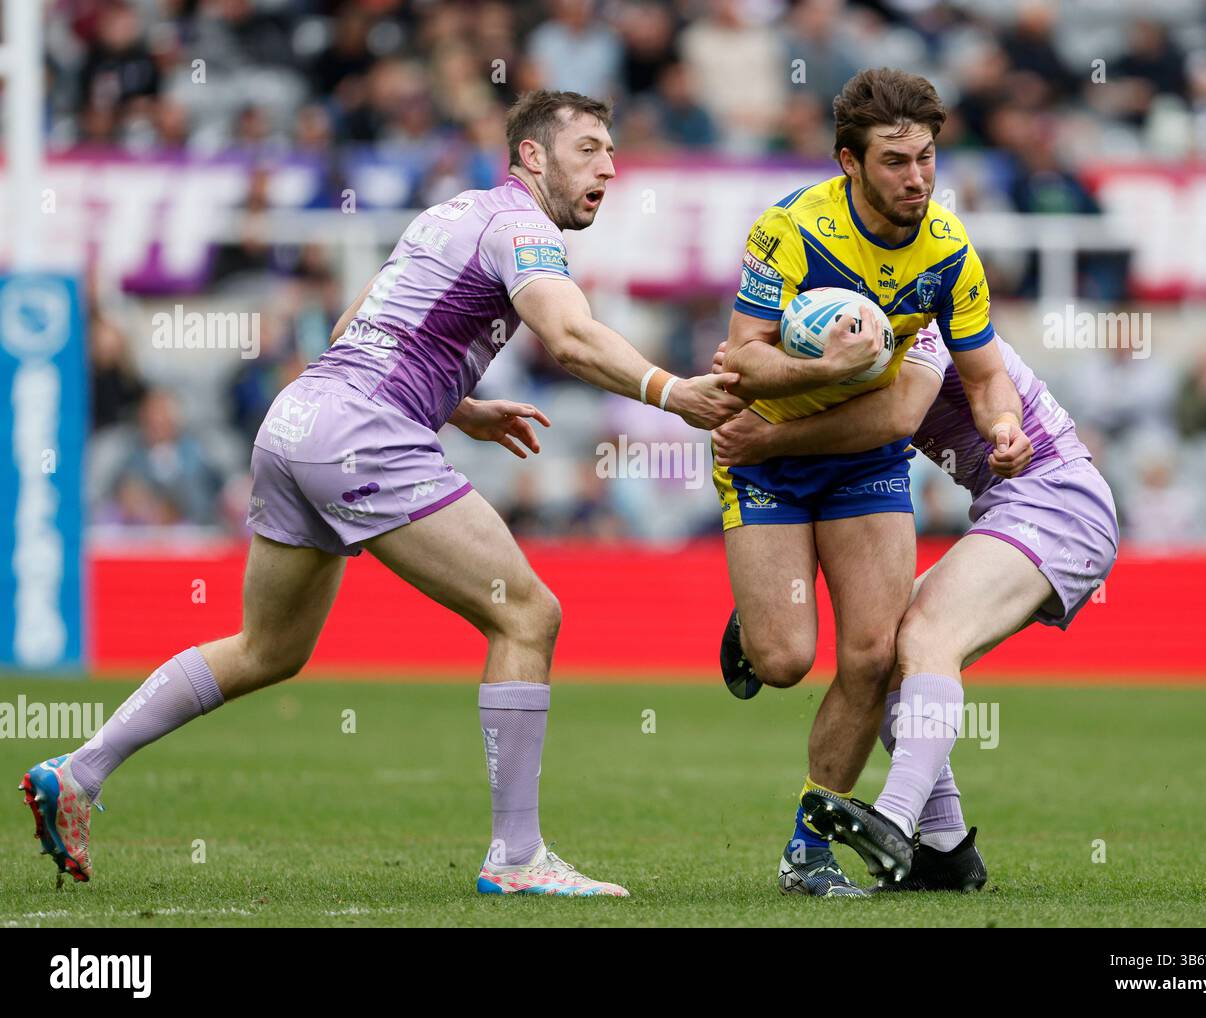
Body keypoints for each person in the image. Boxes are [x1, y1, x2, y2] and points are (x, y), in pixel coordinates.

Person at [20, 90, 745, 897]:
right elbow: (570, 337)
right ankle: (516, 859)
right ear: (532, 157)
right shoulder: (522, 227)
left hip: (297, 420)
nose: (608, 165)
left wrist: (459, 408)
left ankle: (79, 770)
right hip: (364, 432)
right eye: (588, 148)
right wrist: (673, 393)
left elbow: (352, 330)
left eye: (612, 150)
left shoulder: (447, 216)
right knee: (527, 613)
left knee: (269, 649)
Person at [713, 67, 1029, 896]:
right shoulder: (790, 230)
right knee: (785, 660)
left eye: (925, 158)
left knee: (873, 657)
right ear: (848, 162)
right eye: (895, 161)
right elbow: (739, 359)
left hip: (868, 466)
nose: (917, 178)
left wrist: (1002, 426)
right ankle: (759, 620)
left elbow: (987, 375)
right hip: (767, 451)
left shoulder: (949, 251)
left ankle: (806, 850)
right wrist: (829, 359)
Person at [713, 326, 1118, 888]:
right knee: (881, 648)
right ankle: (946, 849)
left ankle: (894, 820)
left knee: (929, 637)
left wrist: (768, 429)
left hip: (1056, 500)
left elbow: (895, 416)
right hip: (1020, 503)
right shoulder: (854, 316)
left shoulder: (915, 318)